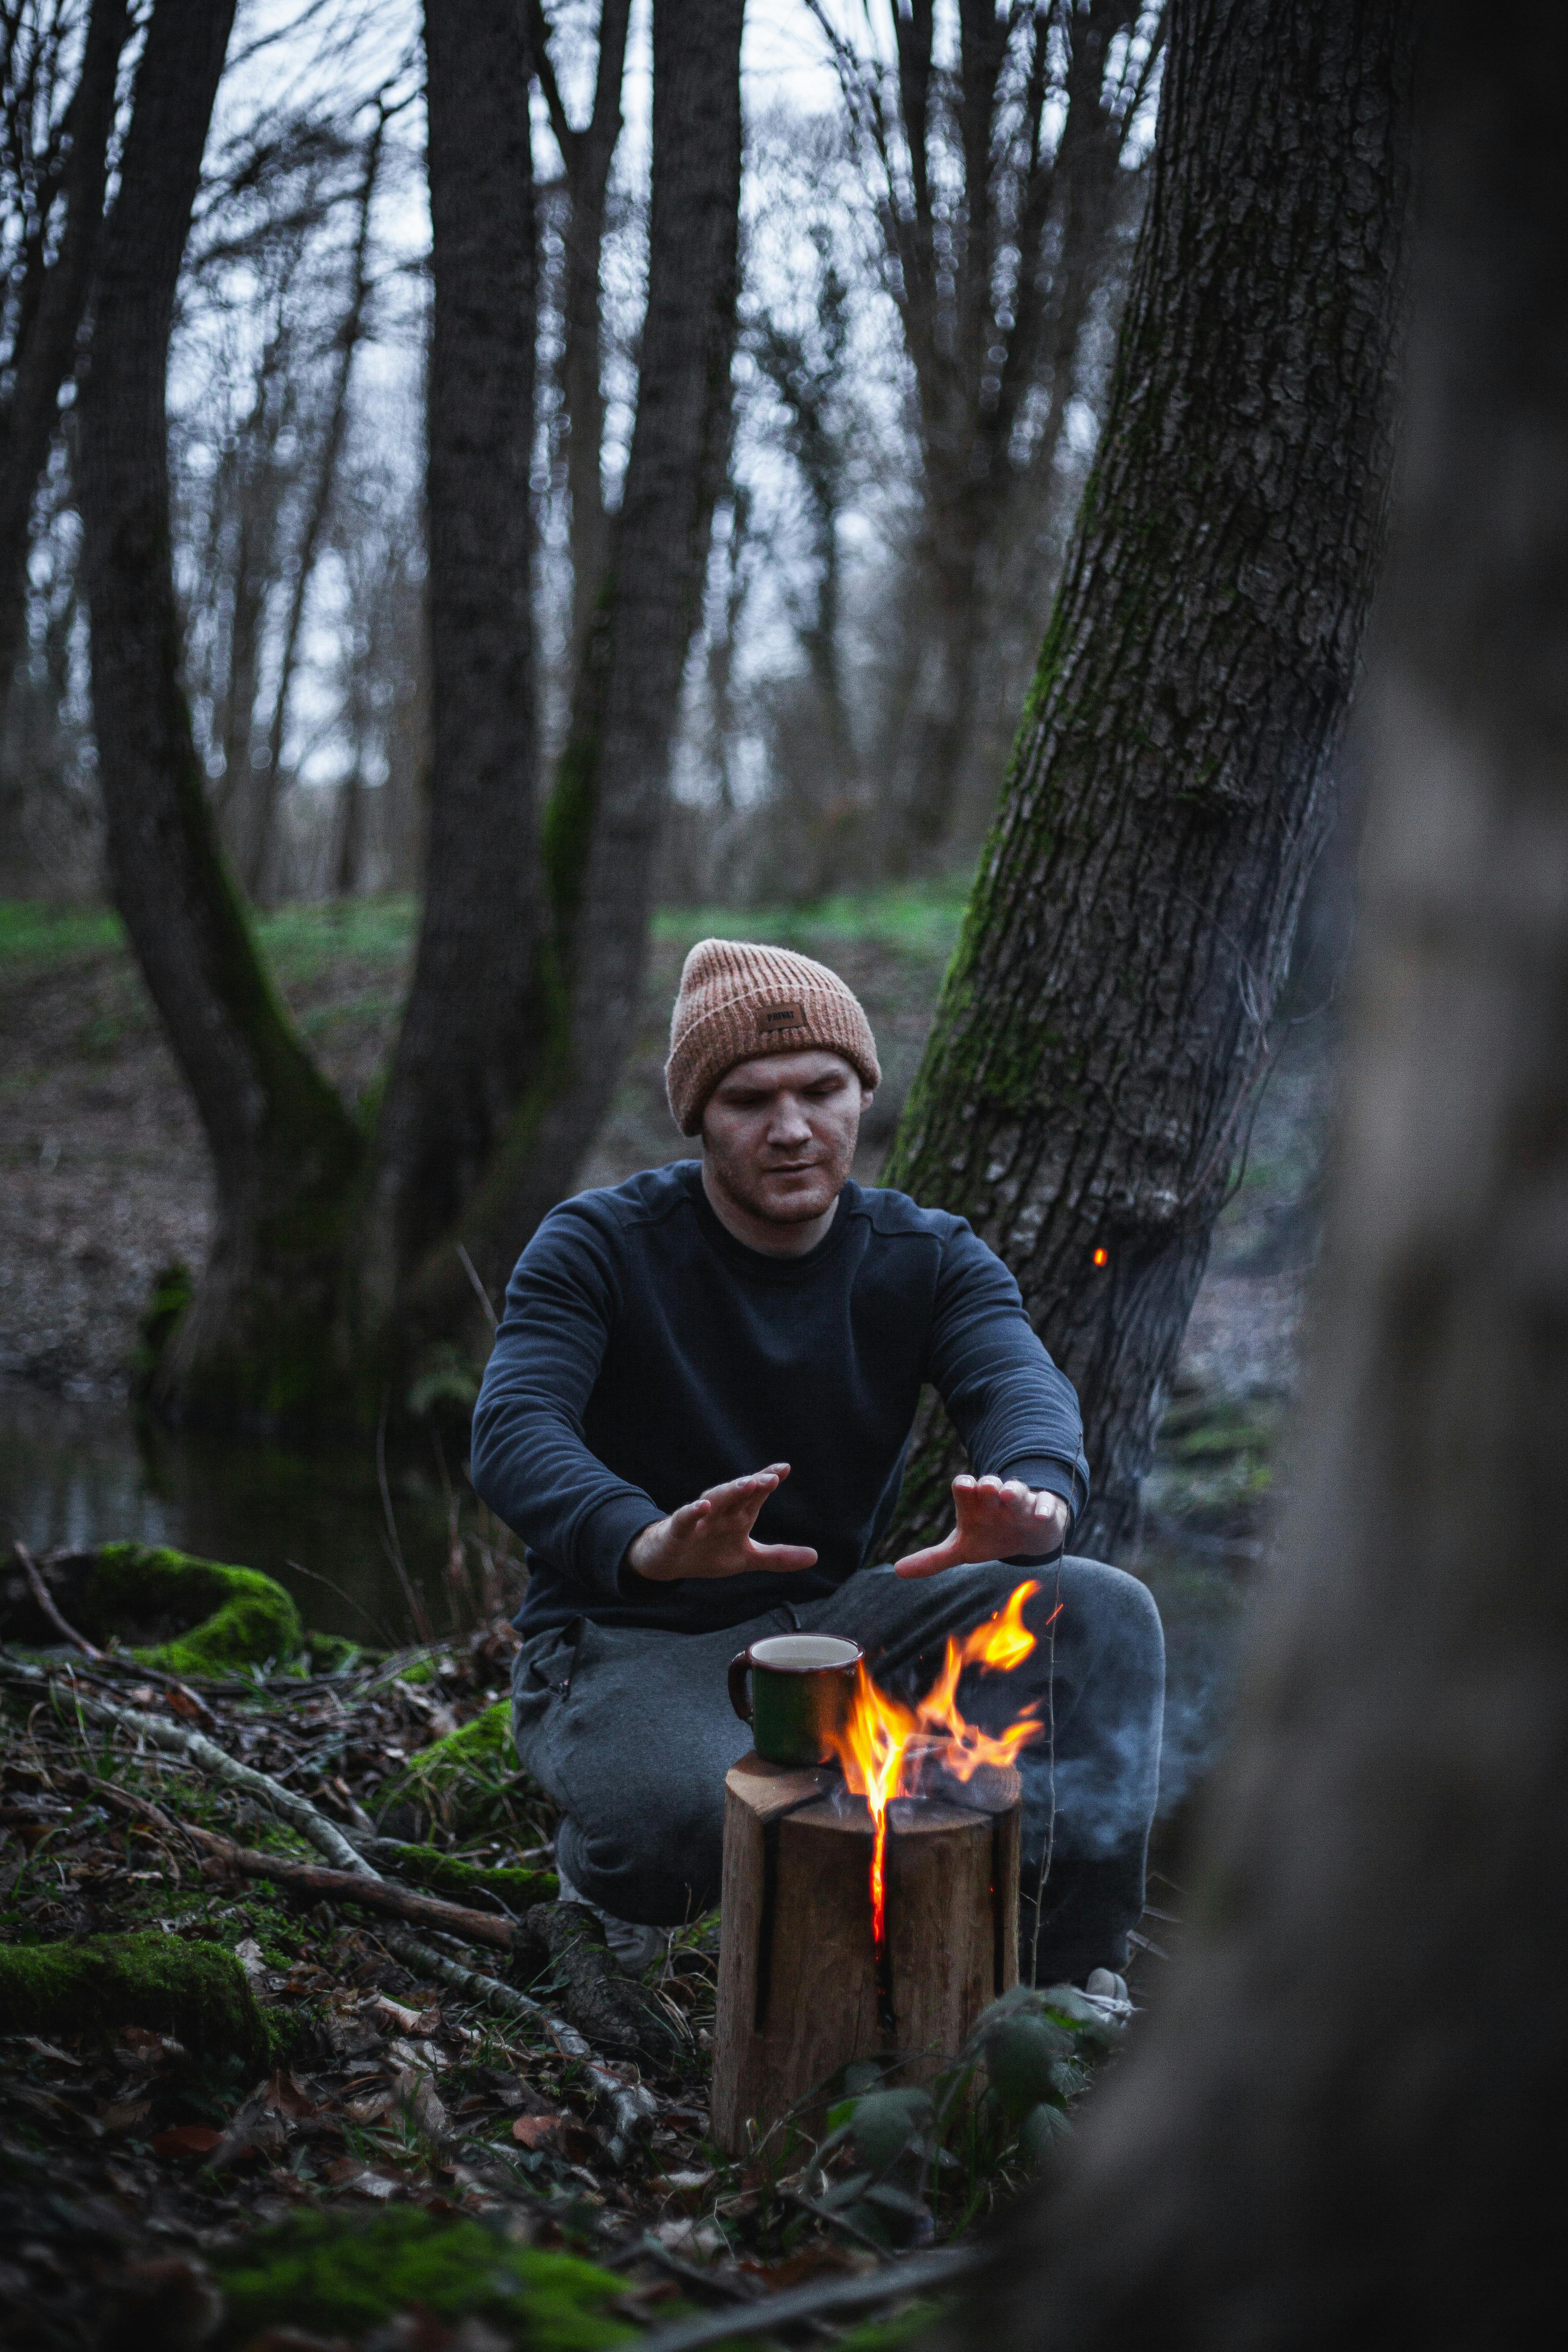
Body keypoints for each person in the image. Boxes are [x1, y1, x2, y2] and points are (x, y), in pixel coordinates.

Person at [471, 939, 1164, 1985]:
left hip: (835, 1630)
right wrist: (645, 1540)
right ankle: (605, 1888)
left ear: (862, 1095)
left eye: (822, 1090)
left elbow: (1019, 1383)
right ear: (699, 1115)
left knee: (1105, 1610)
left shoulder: (926, 1254)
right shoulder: (600, 1245)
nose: (792, 1129)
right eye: (750, 1099)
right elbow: (513, 1427)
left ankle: (1073, 1978)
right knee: (712, 1828)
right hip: (626, 1637)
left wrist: (1039, 1497)